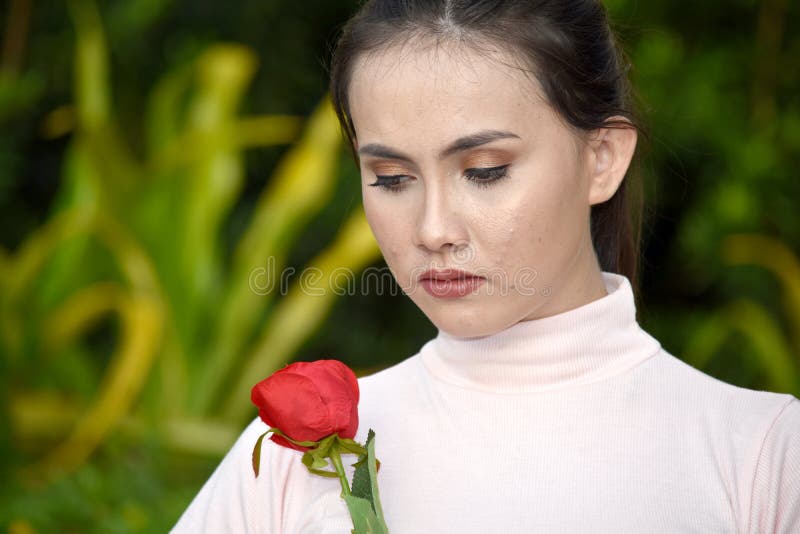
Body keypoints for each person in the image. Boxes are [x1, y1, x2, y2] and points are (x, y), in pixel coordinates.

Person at [172, 1, 800, 532]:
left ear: (602, 158)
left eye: (485, 171)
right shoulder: (293, 458)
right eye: (391, 179)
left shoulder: (763, 456)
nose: (434, 230)